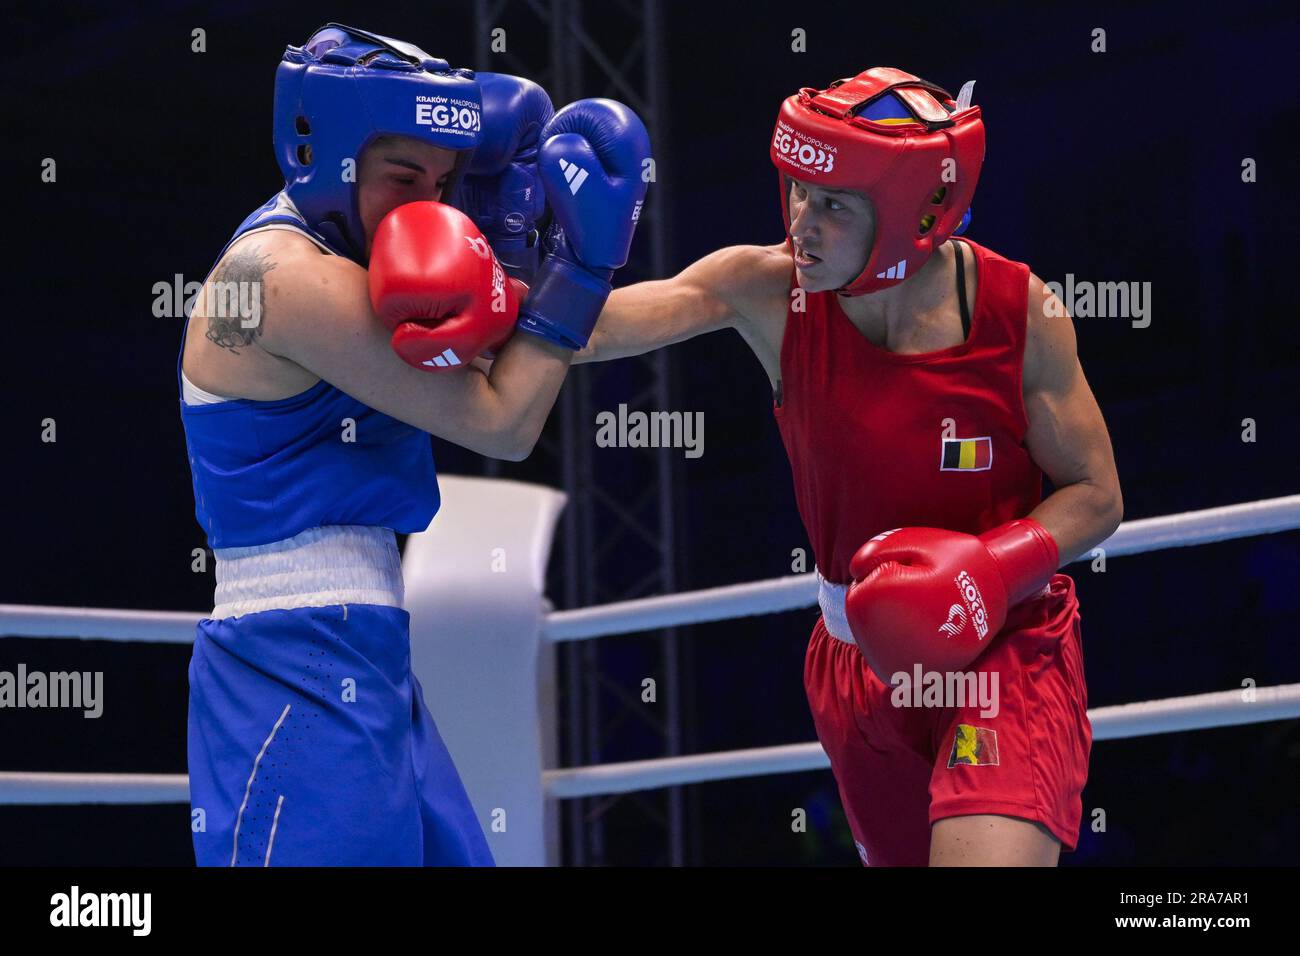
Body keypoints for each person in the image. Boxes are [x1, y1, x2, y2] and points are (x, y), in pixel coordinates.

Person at [575, 68, 1122, 866]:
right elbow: (587, 333)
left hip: (1005, 646)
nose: (802, 222)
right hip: (858, 665)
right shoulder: (766, 291)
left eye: (832, 203)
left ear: (912, 214)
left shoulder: (1017, 311)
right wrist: (536, 257)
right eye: (796, 190)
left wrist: (989, 571)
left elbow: (1097, 493)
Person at [178, 23, 648, 865]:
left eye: (443, 180)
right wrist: (581, 266)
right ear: (328, 156)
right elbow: (505, 418)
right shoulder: (278, 280)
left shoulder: (365, 268)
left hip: (366, 647)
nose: (427, 205)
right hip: (288, 662)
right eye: (404, 177)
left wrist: (731, 291)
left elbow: (559, 338)